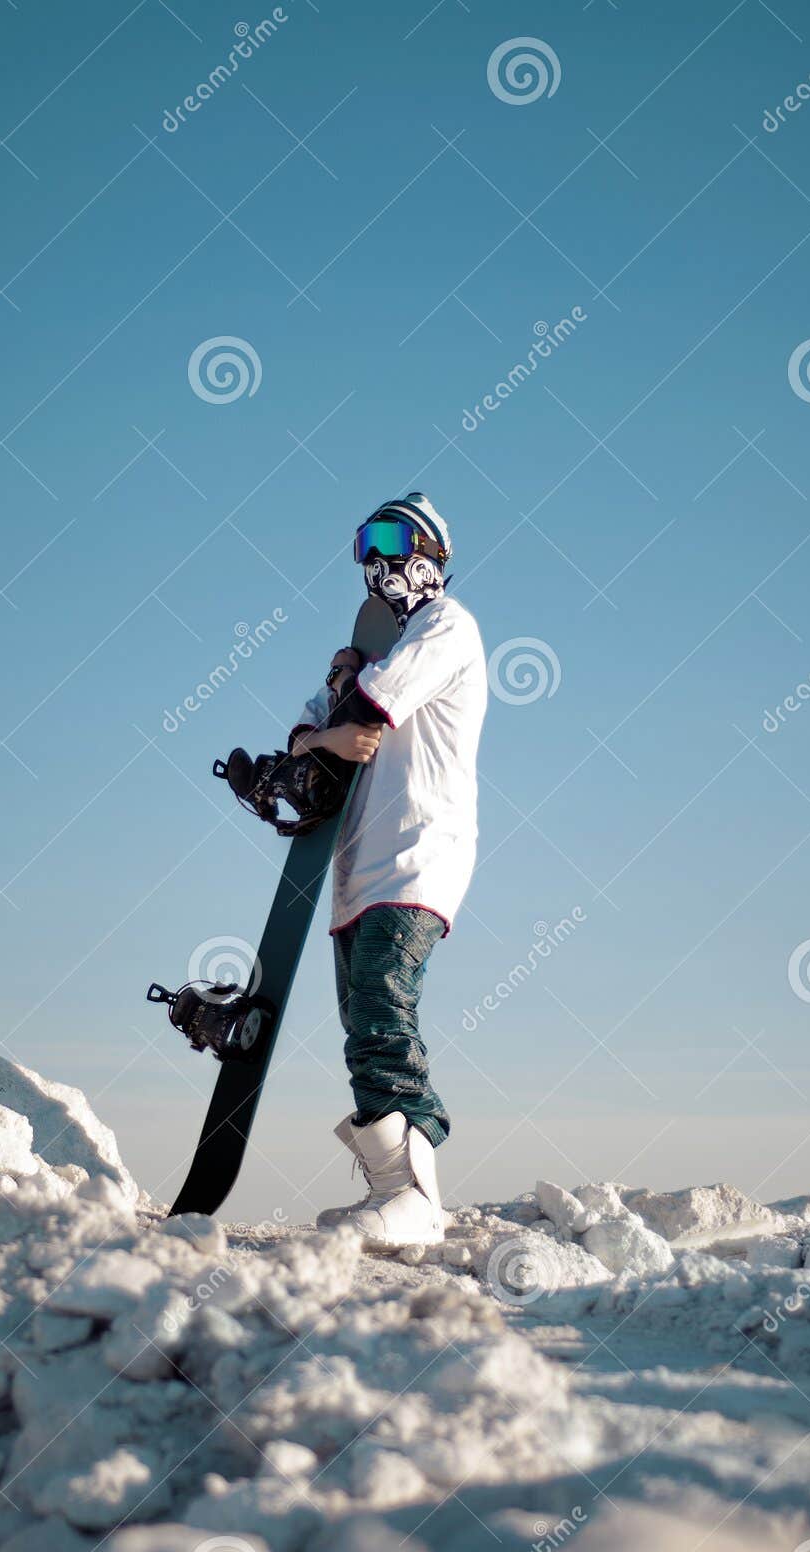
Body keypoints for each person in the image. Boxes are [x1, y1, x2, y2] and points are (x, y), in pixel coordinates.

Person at [288, 493, 487, 1248]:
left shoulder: (446, 625)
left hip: (417, 853)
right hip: (358, 866)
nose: (376, 558)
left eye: (391, 538)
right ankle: (387, 1188)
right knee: (361, 1023)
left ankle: (415, 1200)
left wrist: (336, 716)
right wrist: (322, 728)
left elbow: (366, 719)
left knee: (382, 1009)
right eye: (364, 542)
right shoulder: (372, 657)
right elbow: (307, 731)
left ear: (433, 551)